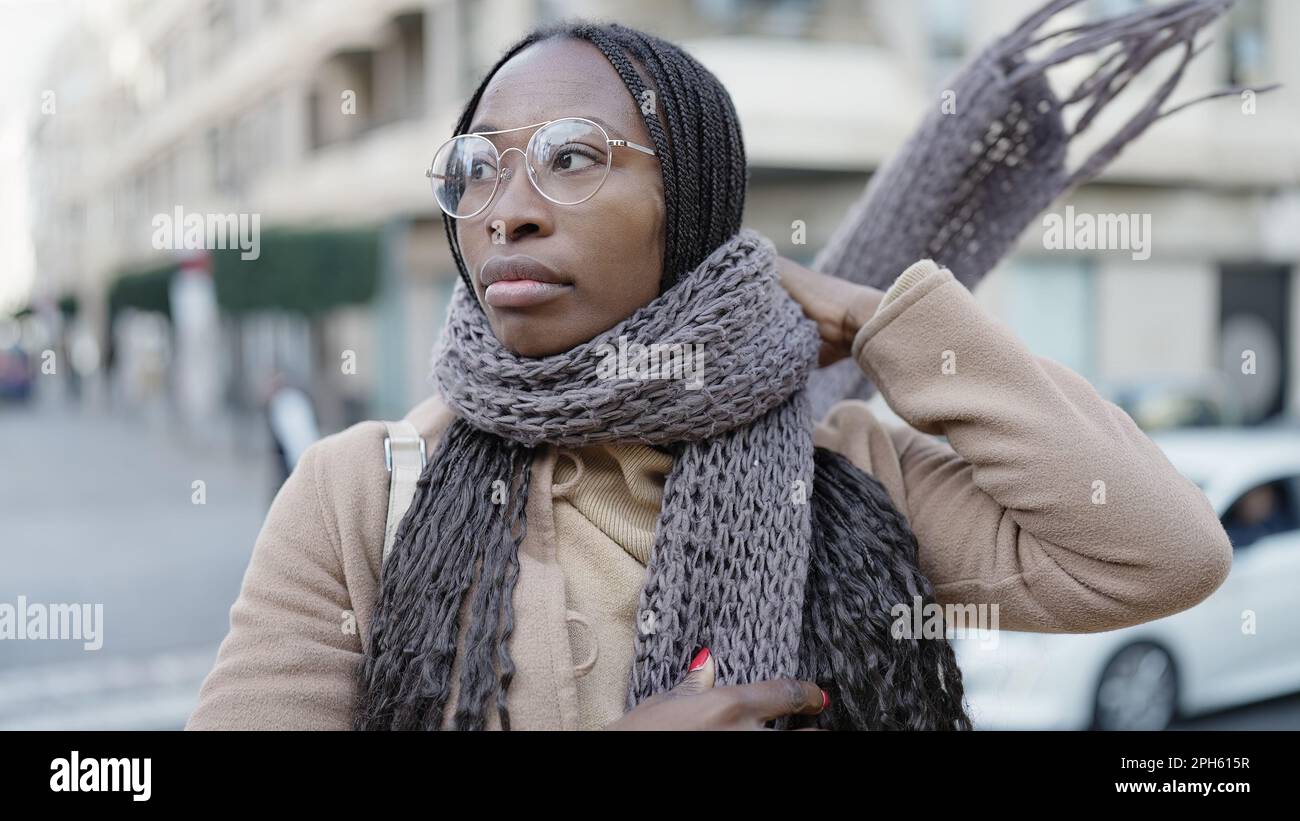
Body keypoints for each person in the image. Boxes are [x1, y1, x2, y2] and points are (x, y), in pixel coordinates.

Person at [187, 21, 1233, 731]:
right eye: (476, 166)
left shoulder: (843, 468)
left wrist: (884, 324)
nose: (505, 206)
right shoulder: (361, 493)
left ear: (689, 198)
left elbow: (1161, 552)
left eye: (569, 155)